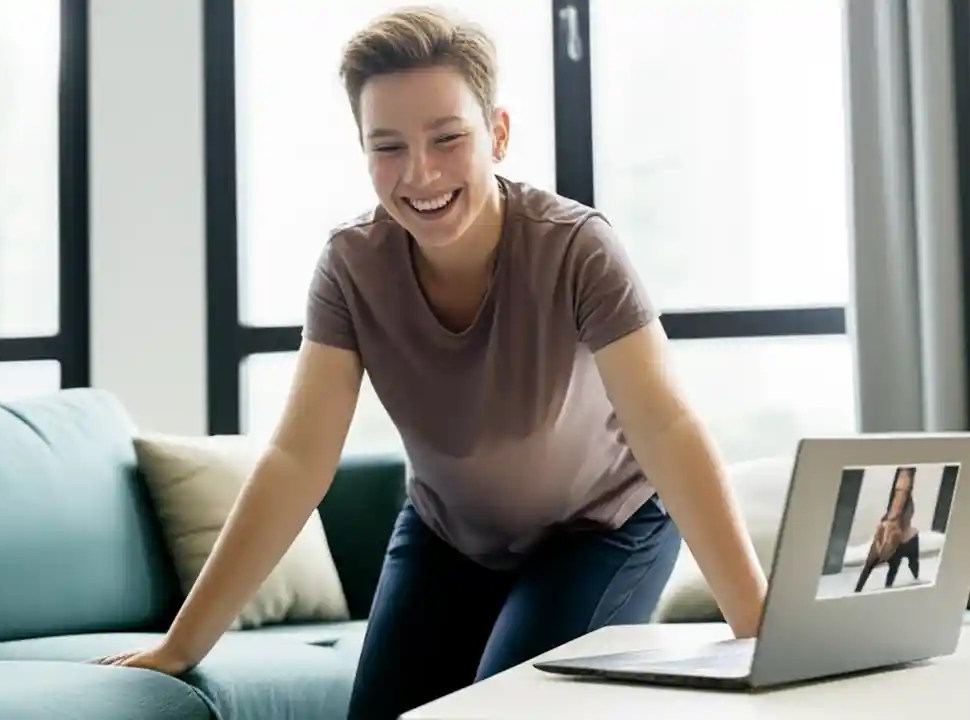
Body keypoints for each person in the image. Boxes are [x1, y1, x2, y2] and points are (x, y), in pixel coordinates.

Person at [92, 6, 766, 718]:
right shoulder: (352, 267)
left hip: (602, 529)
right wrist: (182, 643)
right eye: (388, 146)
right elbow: (297, 459)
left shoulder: (577, 249)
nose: (421, 173)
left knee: (508, 709)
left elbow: (667, 430)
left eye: (448, 138)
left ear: (497, 134)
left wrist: (756, 626)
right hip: (451, 537)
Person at [855, 466, 921, 592]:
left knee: (884, 563)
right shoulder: (901, 499)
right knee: (875, 563)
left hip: (896, 531)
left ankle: (883, 586)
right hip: (893, 529)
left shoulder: (904, 501)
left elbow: (901, 506)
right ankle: (864, 587)